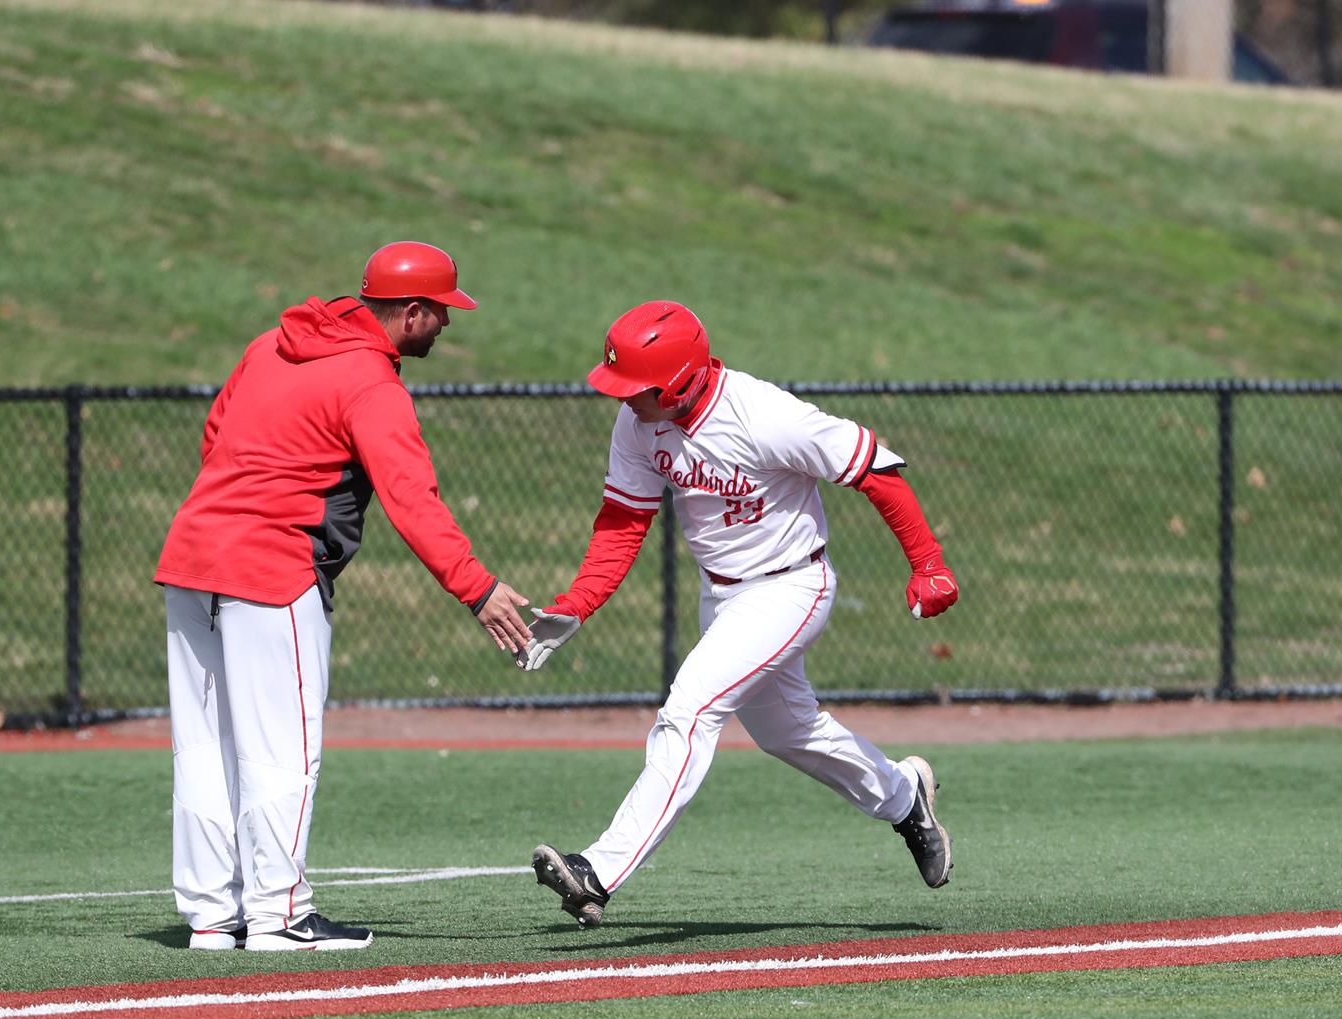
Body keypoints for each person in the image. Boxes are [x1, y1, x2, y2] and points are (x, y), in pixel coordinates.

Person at [521, 300, 960, 927]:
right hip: (723, 595)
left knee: (691, 708)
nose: (624, 398)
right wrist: (578, 604)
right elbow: (622, 522)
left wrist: (928, 563)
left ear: (679, 381)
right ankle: (903, 795)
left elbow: (875, 469)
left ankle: (598, 870)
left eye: (637, 387)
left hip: (791, 585)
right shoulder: (638, 423)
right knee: (789, 732)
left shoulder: (765, 415)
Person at [155, 242, 531, 952]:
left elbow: (215, 436)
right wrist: (477, 589)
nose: (447, 326)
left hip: (193, 554)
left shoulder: (270, 344)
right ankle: (279, 914)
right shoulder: (370, 383)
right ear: (411, 311)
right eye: (442, 312)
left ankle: (214, 914)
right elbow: (412, 500)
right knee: (281, 751)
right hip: (271, 569)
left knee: (205, 747)